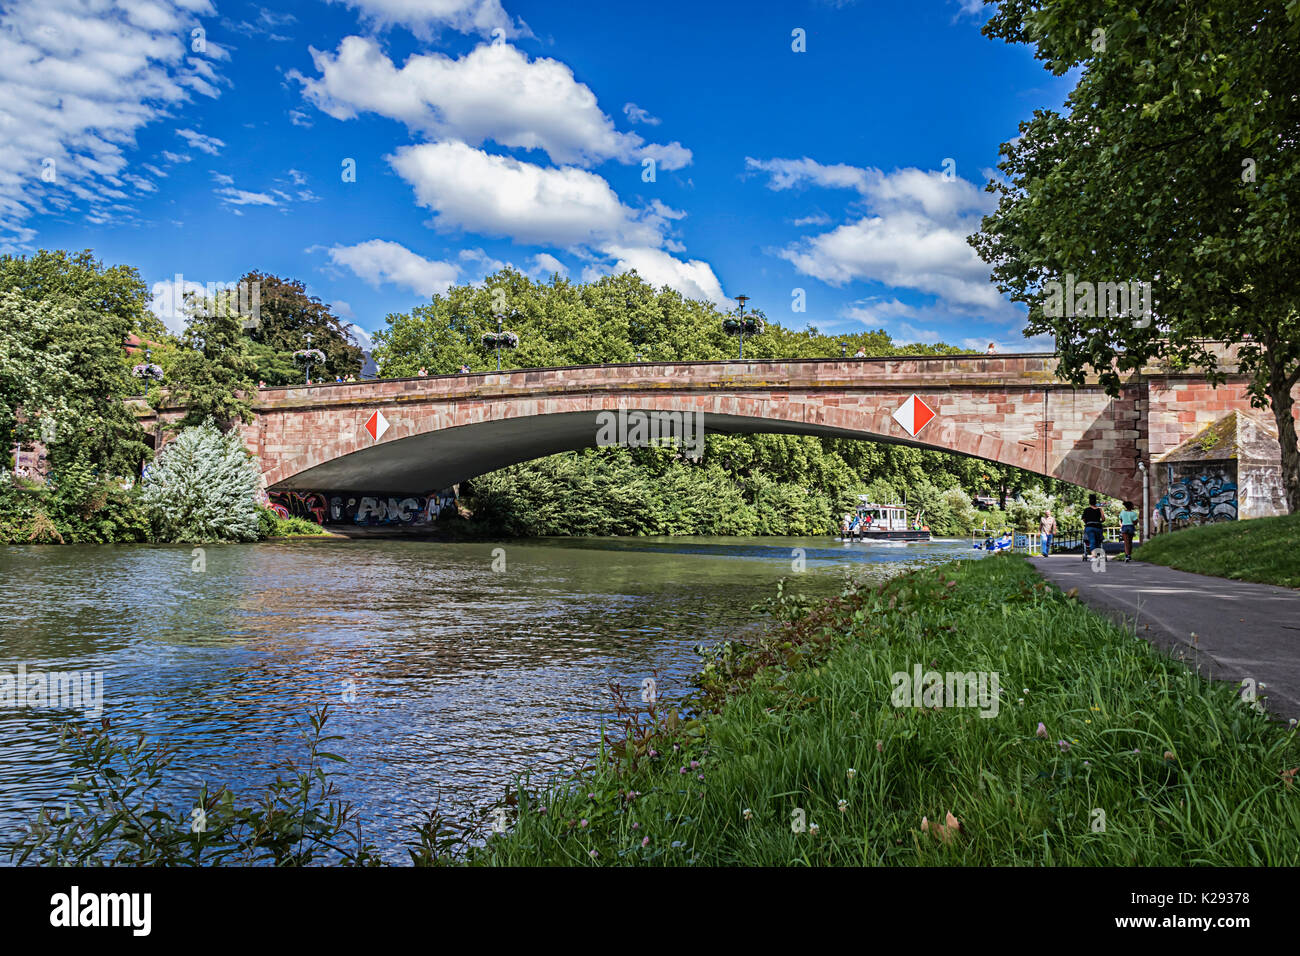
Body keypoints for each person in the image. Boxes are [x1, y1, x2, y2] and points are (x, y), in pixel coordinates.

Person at [1081, 494, 1105, 561]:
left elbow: (1083, 519)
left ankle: (1094, 556)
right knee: (1098, 541)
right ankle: (1098, 555)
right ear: (1095, 501)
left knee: (1092, 541)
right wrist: (1099, 521)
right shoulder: (1100, 510)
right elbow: (1103, 519)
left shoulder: (1086, 510)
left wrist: (1088, 522)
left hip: (1089, 527)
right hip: (1098, 527)